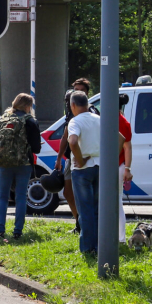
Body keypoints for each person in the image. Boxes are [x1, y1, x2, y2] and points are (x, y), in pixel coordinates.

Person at [0, 93, 43, 240]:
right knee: (21, 197)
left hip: (4, 163)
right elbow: (36, 148)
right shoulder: (30, 121)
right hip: (23, 163)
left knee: (2, 197)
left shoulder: (2, 119)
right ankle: (17, 232)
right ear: (28, 106)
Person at [65, 91, 100, 255]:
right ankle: (99, 246)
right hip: (100, 166)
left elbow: (72, 141)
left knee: (85, 210)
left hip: (82, 170)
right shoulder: (100, 119)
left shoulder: (75, 121)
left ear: (73, 105)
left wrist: (79, 160)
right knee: (97, 209)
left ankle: (87, 248)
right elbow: (120, 138)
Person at [60, 77, 92, 232]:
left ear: (87, 93)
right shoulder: (70, 111)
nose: (78, 92)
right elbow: (65, 136)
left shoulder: (91, 112)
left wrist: (81, 159)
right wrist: (59, 158)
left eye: (81, 90)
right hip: (71, 158)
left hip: (84, 158)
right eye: (76, 90)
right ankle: (79, 222)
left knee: (84, 195)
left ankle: (85, 225)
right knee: (68, 192)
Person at [117, 93, 134, 243]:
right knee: (118, 202)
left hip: (108, 167)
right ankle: (121, 237)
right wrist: (127, 169)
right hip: (120, 166)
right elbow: (127, 147)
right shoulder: (124, 122)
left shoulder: (104, 120)